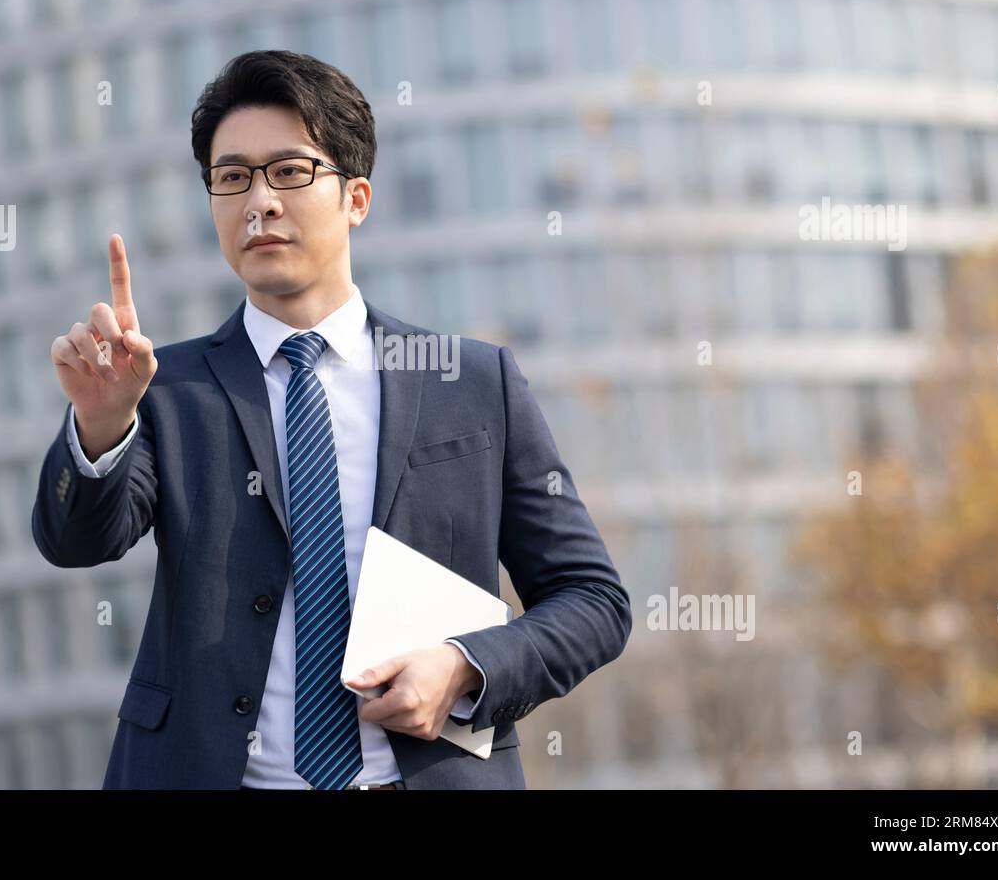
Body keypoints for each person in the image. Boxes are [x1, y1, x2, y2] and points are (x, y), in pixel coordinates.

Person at [31, 50, 631, 789]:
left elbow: (592, 599)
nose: (258, 202)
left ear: (357, 197)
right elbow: (76, 540)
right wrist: (99, 427)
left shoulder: (471, 383)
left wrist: (465, 666)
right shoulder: (165, 386)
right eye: (231, 177)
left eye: (288, 171)